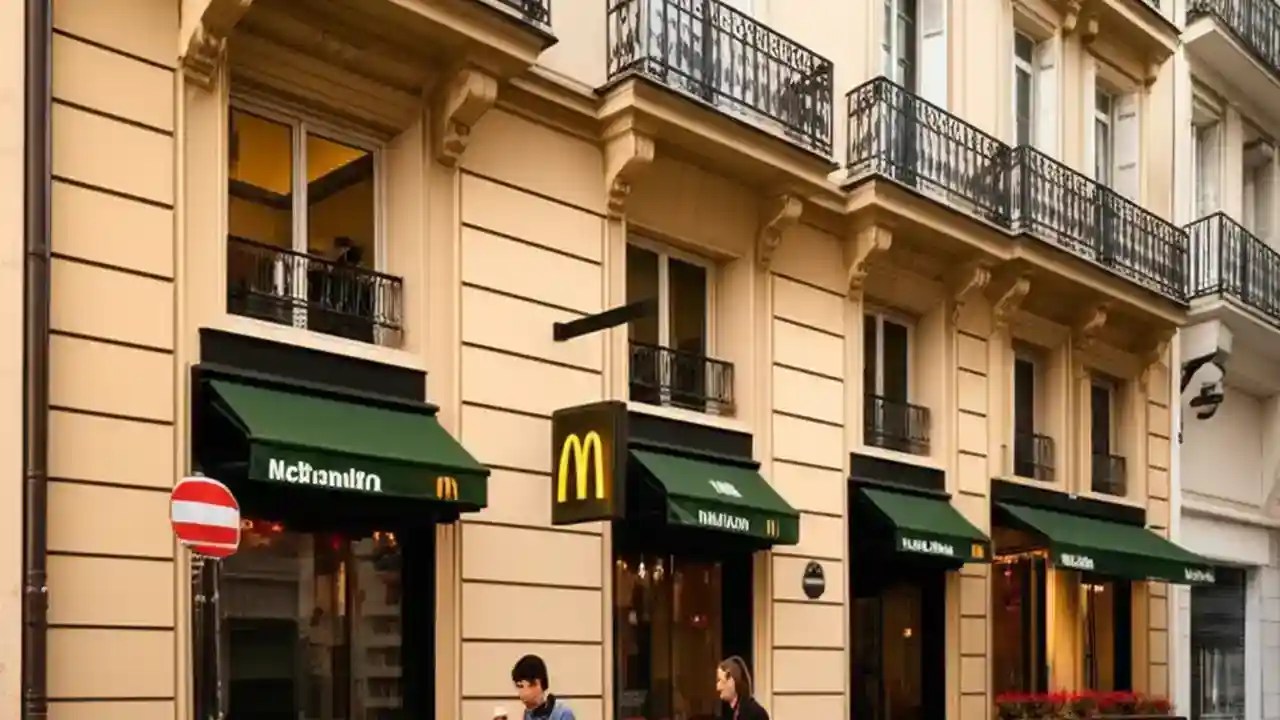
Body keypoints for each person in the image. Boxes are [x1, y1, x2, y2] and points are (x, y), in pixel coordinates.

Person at [512, 654, 576, 720]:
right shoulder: (528, 713)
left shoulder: (562, 713)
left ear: (537, 683)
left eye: (521, 686)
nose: (520, 694)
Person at [716, 656, 768, 720]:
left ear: (731, 681)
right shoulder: (727, 713)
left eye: (720, 680)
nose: (717, 688)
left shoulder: (755, 713)